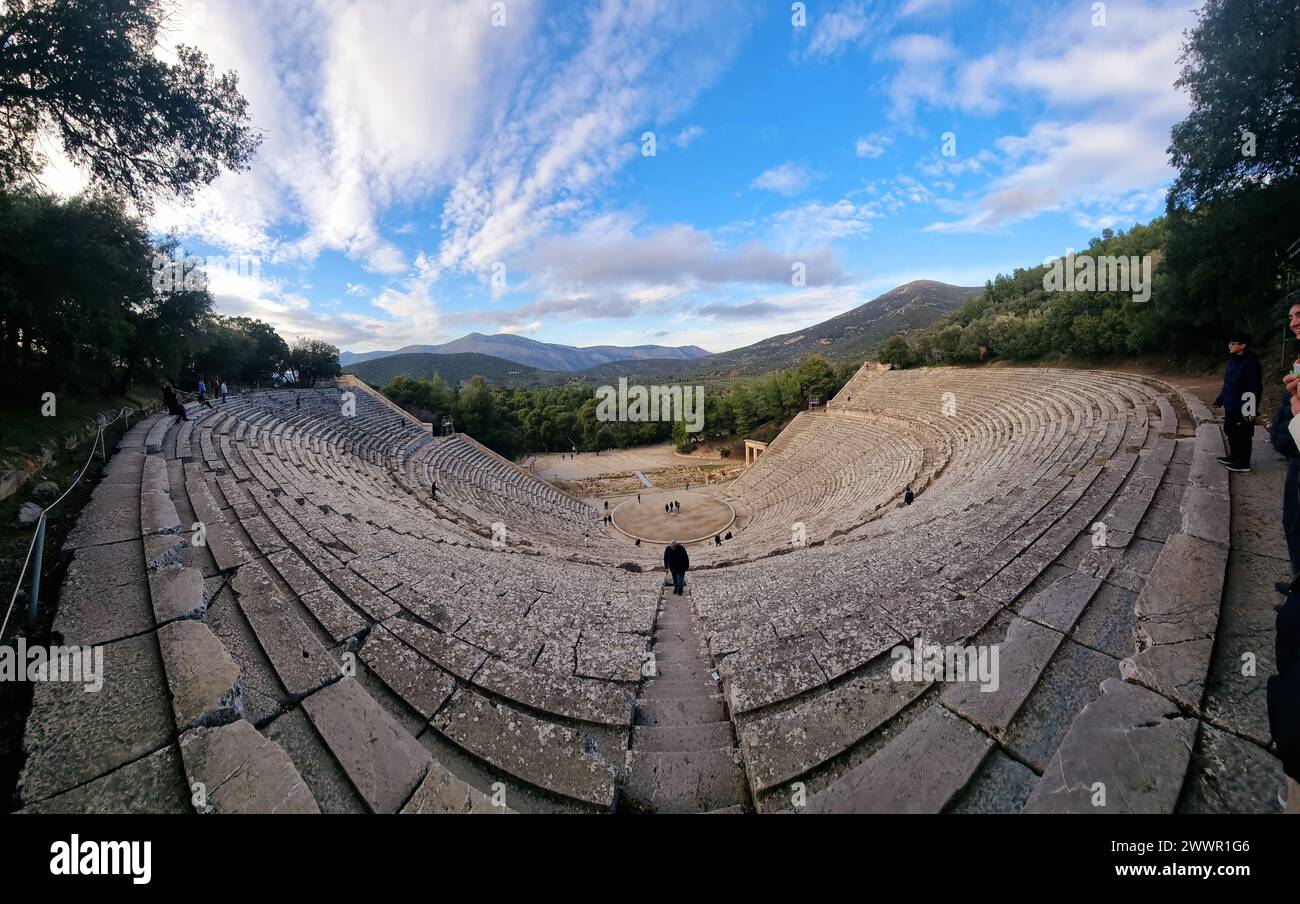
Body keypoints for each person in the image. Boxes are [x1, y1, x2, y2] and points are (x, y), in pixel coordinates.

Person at [1271, 302, 1300, 592]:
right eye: (1291, 317)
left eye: (1299, 315)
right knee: (1293, 523)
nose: (1293, 322)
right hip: (1295, 454)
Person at [1213, 334, 1263, 473]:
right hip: (1231, 404)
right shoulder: (1233, 361)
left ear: (1242, 345)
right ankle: (1234, 457)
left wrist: (1251, 409)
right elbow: (1227, 384)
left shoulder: (1250, 362)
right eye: (1229, 343)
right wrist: (1220, 400)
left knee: (1243, 435)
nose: (1230, 345)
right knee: (1231, 431)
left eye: (1233, 343)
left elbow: (1254, 387)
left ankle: (1243, 463)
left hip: (1244, 405)